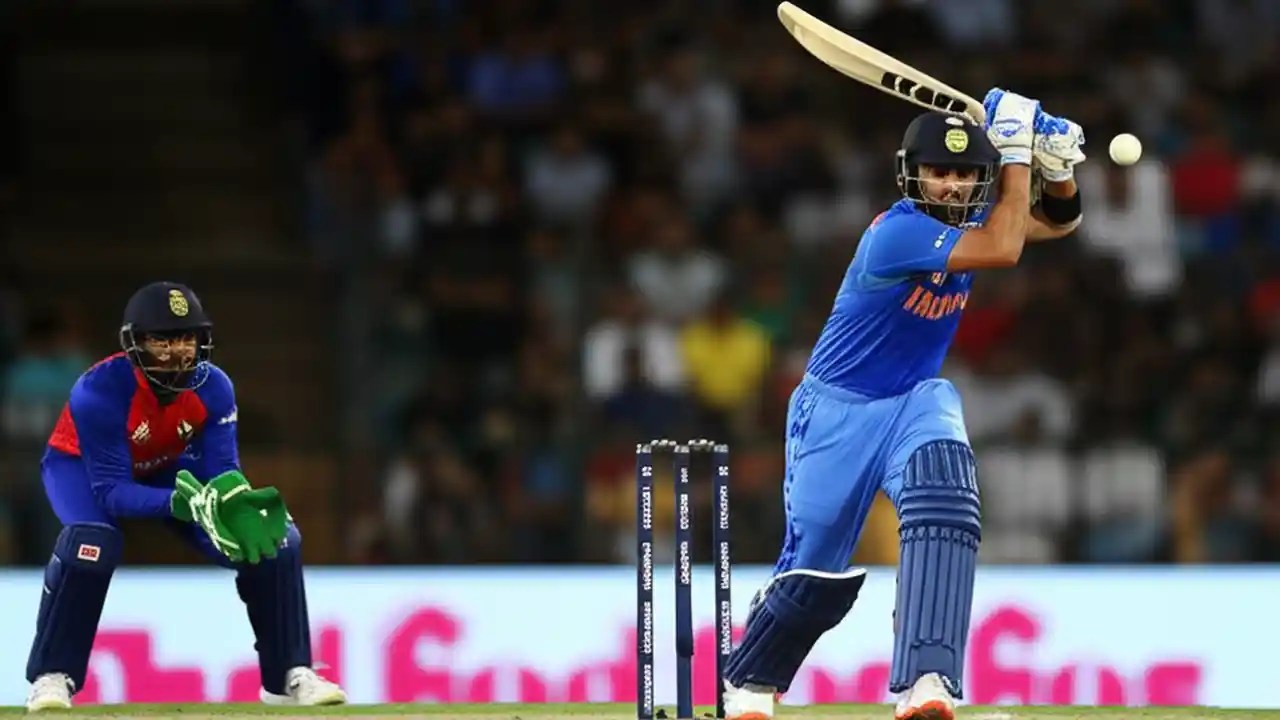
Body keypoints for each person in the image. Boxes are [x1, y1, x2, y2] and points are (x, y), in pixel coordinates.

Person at [720, 89, 1086, 720]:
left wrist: (1056, 166)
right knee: (815, 574)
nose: (949, 185)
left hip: (913, 401)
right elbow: (1006, 246)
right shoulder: (897, 233)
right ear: (911, 174)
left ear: (979, 178)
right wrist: (1019, 150)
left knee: (945, 502)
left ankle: (928, 683)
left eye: (964, 173)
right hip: (836, 412)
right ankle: (749, 677)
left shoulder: (974, 220)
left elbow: (1057, 222)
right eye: (938, 172)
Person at [23, 281, 347, 712]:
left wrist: (235, 502)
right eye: (162, 339)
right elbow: (113, 491)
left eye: (187, 337)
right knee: (93, 543)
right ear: (135, 344)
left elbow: (224, 471)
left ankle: (288, 677)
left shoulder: (214, 388)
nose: (178, 352)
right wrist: (180, 503)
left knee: (278, 542)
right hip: (79, 466)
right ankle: (50, 677)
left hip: (167, 464)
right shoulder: (98, 391)